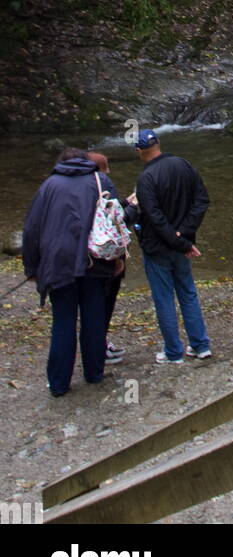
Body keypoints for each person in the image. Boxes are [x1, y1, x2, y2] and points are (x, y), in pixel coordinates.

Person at [21, 148, 122, 397]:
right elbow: (117, 220)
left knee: (63, 321)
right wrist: (119, 258)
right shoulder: (101, 180)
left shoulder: (49, 185)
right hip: (95, 259)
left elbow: (32, 230)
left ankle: (58, 384)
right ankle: (94, 373)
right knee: (94, 317)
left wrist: (32, 267)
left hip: (58, 262)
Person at [134, 129, 212, 363]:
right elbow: (202, 201)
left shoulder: (146, 179)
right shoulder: (183, 164)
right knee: (188, 293)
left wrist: (178, 240)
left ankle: (173, 352)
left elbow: (155, 218)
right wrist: (185, 234)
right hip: (182, 245)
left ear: (139, 151)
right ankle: (200, 346)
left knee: (164, 299)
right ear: (159, 144)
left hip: (159, 247)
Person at [86, 151, 127, 364]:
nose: (109, 171)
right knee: (104, 302)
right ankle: (99, 348)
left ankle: (95, 346)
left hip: (81, 257)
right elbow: (115, 218)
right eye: (105, 166)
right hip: (104, 256)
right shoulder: (102, 182)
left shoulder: (70, 185)